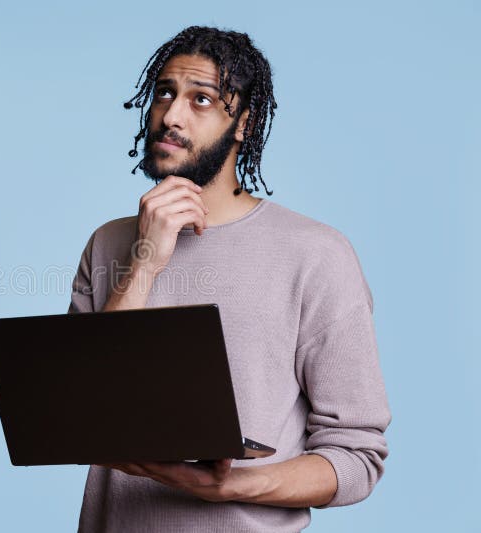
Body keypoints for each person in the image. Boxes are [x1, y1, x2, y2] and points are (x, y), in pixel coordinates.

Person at [67, 25, 392, 532]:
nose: (171, 115)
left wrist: (227, 486)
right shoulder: (110, 243)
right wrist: (146, 260)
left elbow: (356, 456)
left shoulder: (316, 254)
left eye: (201, 99)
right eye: (165, 94)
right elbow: (77, 414)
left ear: (244, 122)